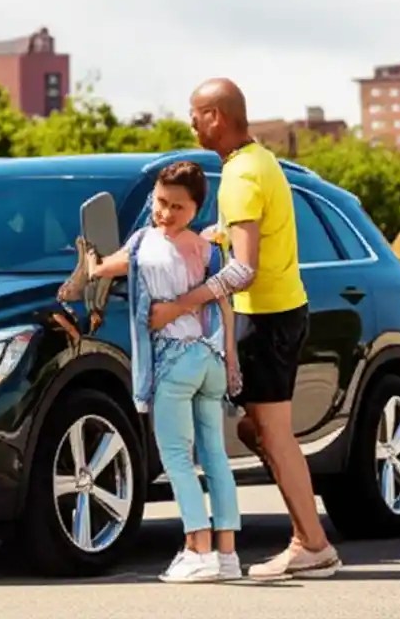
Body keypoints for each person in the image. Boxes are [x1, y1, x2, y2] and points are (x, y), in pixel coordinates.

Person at [149, 78, 342, 580]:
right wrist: (217, 235)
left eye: (195, 113)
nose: (190, 122)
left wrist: (178, 305)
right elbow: (251, 239)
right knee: (258, 428)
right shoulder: (258, 162)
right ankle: (309, 539)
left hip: (267, 317)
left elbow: (244, 270)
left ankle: (312, 543)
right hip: (282, 311)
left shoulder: (238, 178)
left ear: (215, 115)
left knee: (273, 434)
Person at [89, 161, 244, 583]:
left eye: (177, 206)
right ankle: (227, 554)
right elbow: (225, 305)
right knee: (214, 456)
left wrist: (91, 266)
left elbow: (109, 267)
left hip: (176, 361)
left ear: (196, 207)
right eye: (160, 203)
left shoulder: (146, 242)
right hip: (210, 359)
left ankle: (198, 549)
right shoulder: (210, 247)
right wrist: (230, 359)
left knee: (176, 455)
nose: (165, 213)